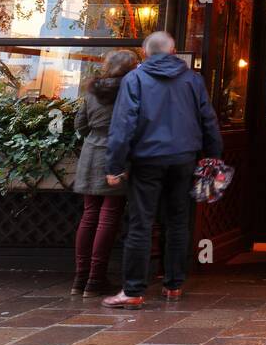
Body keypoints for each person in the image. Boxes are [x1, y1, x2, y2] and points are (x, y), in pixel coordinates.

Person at [101, 31, 222, 308]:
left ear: (145, 52)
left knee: (141, 223)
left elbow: (123, 125)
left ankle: (133, 290)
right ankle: (174, 285)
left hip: (147, 159)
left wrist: (115, 165)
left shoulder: (135, 79)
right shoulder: (192, 79)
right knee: (178, 221)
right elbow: (208, 119)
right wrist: (213, 157)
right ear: (173, 50)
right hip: (183, 158)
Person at [70, 49, 139, 297]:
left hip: (91, 152)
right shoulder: (131, 90)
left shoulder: (92, 89)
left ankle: (80, 279)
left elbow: (80, 124)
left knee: (89, 215)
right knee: (109, 216)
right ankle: (95, 278)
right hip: (118, 155)